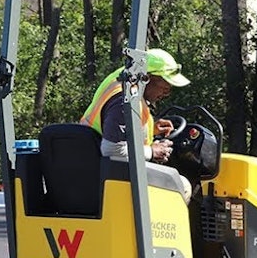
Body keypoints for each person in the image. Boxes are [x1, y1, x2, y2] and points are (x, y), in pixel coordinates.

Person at [80, 48, 192, 197]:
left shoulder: (122, 82)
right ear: (147, 78)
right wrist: (153, 151)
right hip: (109, 175)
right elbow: (113, 150)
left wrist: (152, 131)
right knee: (181, 185)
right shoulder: (124, 99)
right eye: (165, 89)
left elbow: (112, 128)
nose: (166, 94)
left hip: (95, 165)